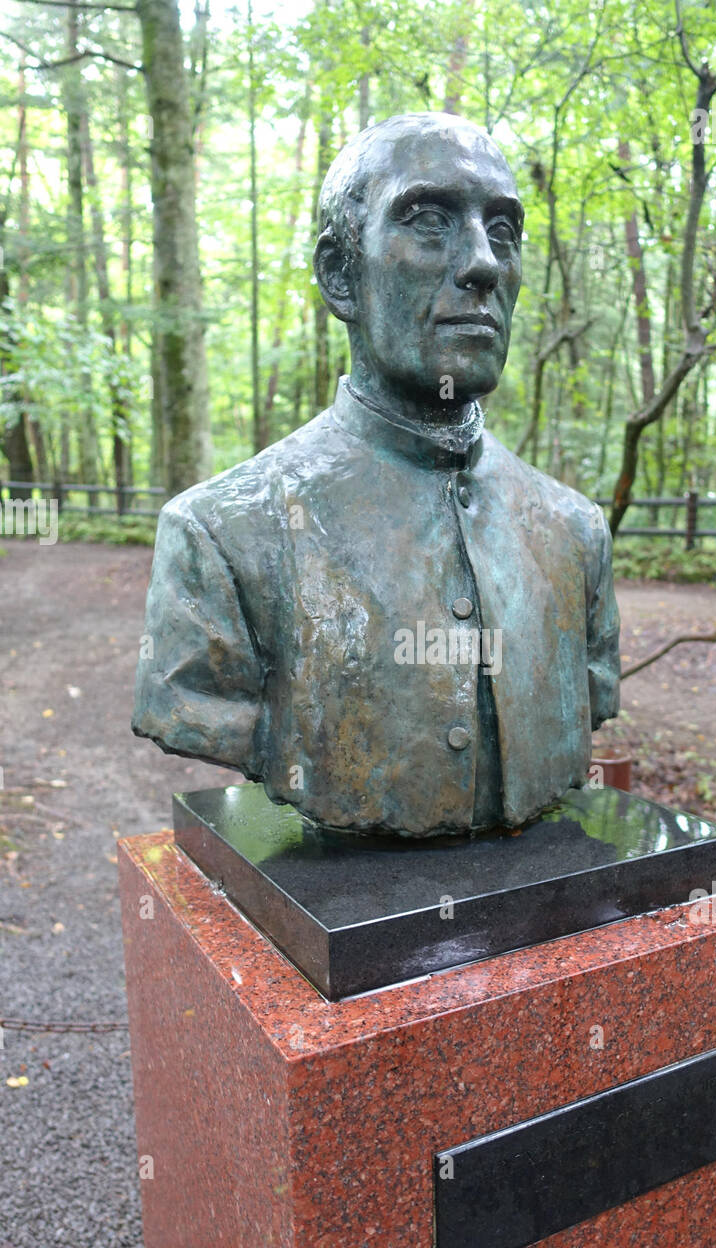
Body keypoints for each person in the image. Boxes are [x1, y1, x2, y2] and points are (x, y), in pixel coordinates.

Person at [133, 112, 620, 837]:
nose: (484, 263)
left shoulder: (575, 532)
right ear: (341, 275)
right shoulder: (223, 536)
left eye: (504, 230)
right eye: (429, 221)